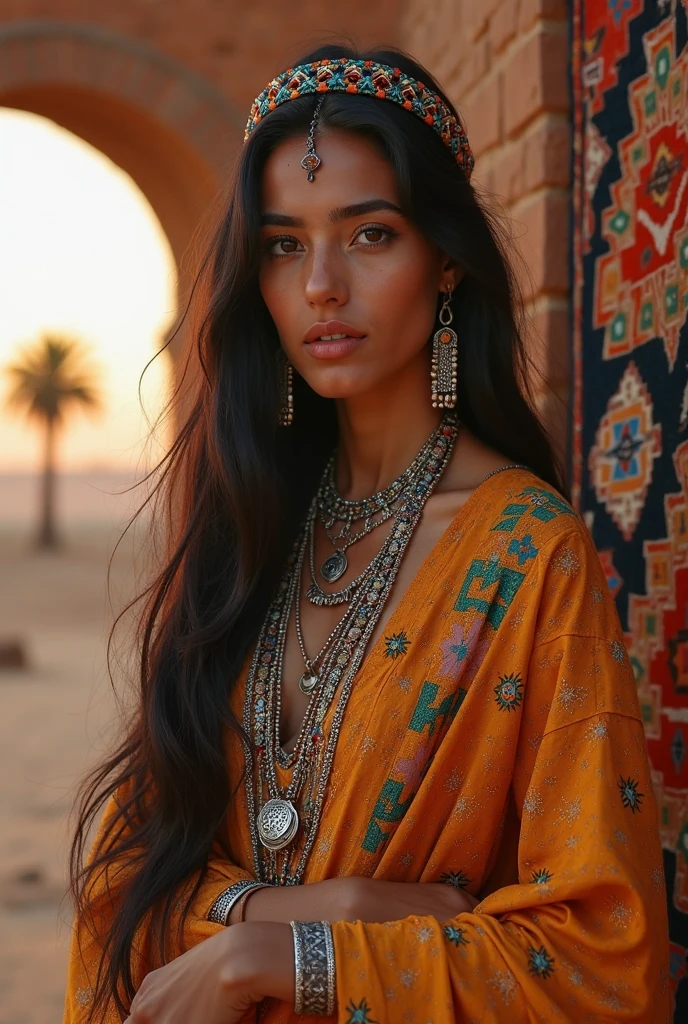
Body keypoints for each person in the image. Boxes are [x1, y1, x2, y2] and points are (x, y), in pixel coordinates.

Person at [63, 46, 671, 1024]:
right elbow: (124, 866)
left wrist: (286, 961)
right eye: (282, 244)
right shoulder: (251, 526)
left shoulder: (524, 553)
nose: (320, 287)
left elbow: (599, 957)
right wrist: (306, 914)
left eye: (370, 234)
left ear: (446, 262)